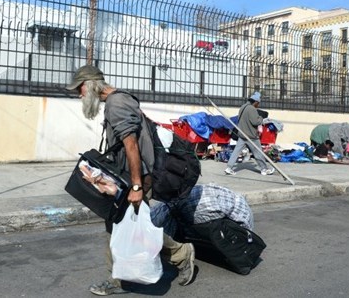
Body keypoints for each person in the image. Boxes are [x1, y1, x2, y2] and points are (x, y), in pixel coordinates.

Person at [66, 65, 195, 296]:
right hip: (127, 177)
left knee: (131, 227)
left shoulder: (117, 104)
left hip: (135, 179)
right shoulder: (116, 101)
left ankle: (180, 254)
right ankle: (123, 276)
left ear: (90, 84)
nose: (80, 95)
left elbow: (131, 145)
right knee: (125, 226)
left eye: (80, 89)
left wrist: (136, 186)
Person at [224, 92, 275, 176]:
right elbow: (255, 122)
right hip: (251, 136)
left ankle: (229, 168)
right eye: (258, 103)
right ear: (255, 102)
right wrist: (262, 119)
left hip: (242, 134)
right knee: (258, 152)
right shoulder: (251, 109)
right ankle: (264, 169)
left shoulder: (243, 107)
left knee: (236, 152)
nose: (258, 105)